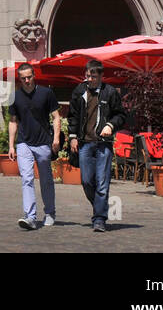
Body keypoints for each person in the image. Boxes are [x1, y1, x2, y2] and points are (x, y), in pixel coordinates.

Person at [67, 60, 126, 233]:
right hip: (85, 142)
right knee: (86, 181)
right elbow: (73, 116)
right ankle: (100, 206)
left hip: (103, 145)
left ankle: (99, 219)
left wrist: (111, 125)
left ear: (101, 76)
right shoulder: (79, 91)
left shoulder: (110, 92)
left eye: (93, 76)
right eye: (87, 76)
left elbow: (121, 115)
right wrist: (72, 137)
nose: (90, 79)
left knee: (102, 182)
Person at [7, 62, 61, 230]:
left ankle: (50, 212)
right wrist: (11, 145)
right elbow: (12, 121)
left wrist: (56, 139)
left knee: (46, 180)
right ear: (19, 79)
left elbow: (56, 117)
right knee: (27, 179)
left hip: (44, 142)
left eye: (29, 77)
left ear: (34, 75)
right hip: (24, 143)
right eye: (23, 78)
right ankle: (30, 217)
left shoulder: (47, 93)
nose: (27, 80)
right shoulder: (14, 96)